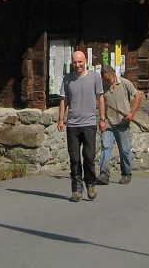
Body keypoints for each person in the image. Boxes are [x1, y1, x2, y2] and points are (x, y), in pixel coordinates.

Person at [58, 49, 105, 202]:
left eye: (80, 62)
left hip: (89, 123)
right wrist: (61, 119)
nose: (77, 65)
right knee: (74, 158)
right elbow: (63, 100)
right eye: (74, 62)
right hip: (73, 124)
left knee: (89, 157)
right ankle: (77, 189)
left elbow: (100, 98)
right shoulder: (67, 78)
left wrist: (102, 118)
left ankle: (91, 184)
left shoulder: (94, 77)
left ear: (85, 62)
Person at [98, 64, 142, 184]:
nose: (106, 82)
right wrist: (102, 120)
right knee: (106, 147)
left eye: (107, 79)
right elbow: (101, 102)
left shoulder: (124, 83)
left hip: (123, 123)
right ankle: (104, 174)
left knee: (124, 150)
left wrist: (132, 113)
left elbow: (138, 96)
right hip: (108, 123)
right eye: (104, 80)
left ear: (113, 75)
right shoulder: (103, 86)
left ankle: (126, 174)